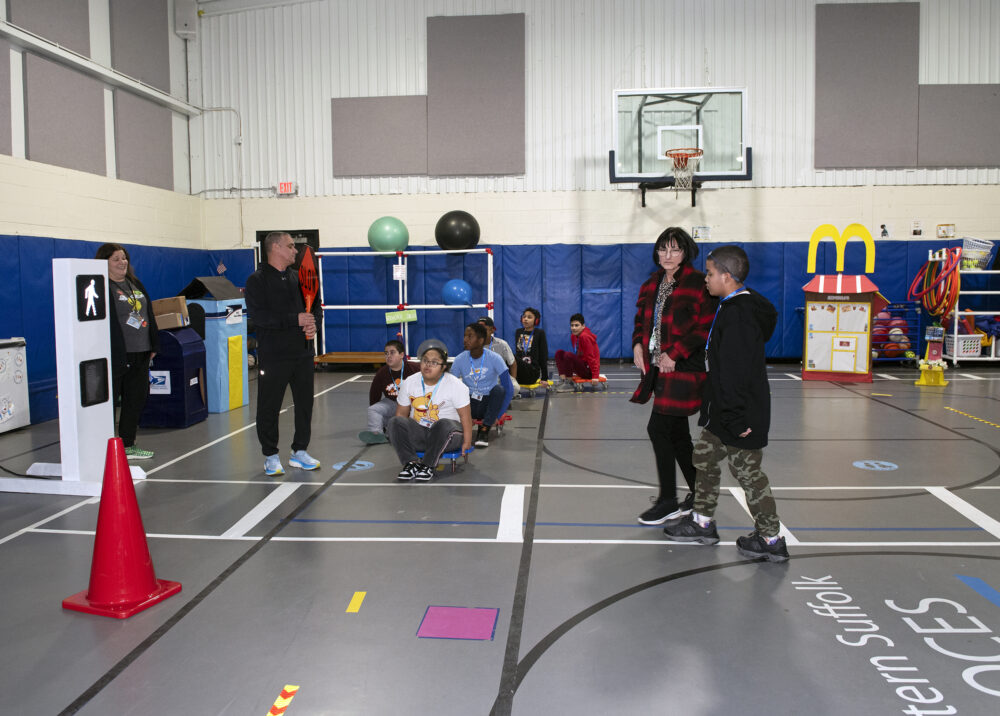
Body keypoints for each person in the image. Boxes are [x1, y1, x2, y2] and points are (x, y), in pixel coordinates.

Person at [663, 245, 789, 563]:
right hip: (722, 410)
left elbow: (734, 373)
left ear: (727, 277)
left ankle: (771, 538)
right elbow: (721, 364)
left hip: (739, 414)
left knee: (748, 473)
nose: (706, 279)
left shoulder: (738, 317)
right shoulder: (737, 304)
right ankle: (703, 523)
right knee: (704, 458)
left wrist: (735, 419)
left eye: (710, 273)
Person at [629, 227, 716, 525]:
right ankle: (699, 492)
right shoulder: (650, 284)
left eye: (675, 249)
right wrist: (638, 345)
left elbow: (703, 329)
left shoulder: (698, 283)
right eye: (663, 249)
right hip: (656, 368)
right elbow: (641, 320)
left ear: (686, 252)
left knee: (659, 428)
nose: (667, 255)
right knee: (677, 435)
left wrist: (674, 353)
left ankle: (668, 501)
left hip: (683, 369)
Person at [245, 231, 323, 476]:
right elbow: (259, 318)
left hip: (302, 355)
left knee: (304, 405)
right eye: (290, 246)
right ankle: (270, 455)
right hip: (273, 356)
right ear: (275, 248)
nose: (295, 251)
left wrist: (313, 324)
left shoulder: (301, 278)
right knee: (269, 406)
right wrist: (294, 319)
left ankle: (300, 451)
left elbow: (316, 308)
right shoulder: (256, 281)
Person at [97, 243, 160, 460]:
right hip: (117, 354)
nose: (122, 263)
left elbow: (148, 313)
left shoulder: (134, 283)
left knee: (135, 399)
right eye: (116, 259)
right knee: (110, 399)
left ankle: (128, 444)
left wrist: (153, 344)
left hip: (141, 352)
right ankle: (103, 444)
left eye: (124, 258)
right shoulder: (102, 288)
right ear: (104, 262)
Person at [387, 340, 473, 480]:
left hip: (449, 436)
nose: (428, 365)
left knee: (444, 424)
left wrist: (467, 442)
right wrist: (399, 434)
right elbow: (401, 415)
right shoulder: (410, 382)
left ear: (443, 367)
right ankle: (411, 464)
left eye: (434, 362)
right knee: (394, 421)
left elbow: (465, 417)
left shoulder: (456, 385)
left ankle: (427, 466)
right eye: (425, 361)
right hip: (421, 434)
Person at [451, 323, 514, 447]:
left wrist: (499, 414)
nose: (465, 339)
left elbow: (509, 388)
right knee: (454, 388)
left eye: (470, 336)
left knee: (499, 389)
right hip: (468, 403)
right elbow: (450, 386)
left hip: (488, 403)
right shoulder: (459, 359)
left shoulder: (495, 358)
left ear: (480, 340)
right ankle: (460, 427)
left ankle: (484, 430)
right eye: (464, 336)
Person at [360, 339, 418, 445]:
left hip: (412, 404)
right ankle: (377, 434)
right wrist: (378, 419)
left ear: (401, 355)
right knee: (374, 410)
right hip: (392, 402)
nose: (388, 356)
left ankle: (395, 430)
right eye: (386, 353)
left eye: (392, 353)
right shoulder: (382, 372)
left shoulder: (414, 368)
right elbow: (374, 394)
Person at [552, 313, 601, 392]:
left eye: (576, 325)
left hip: (589, 371)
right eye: (572, 325)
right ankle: (564, 380)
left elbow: (591, 357)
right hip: (582, 367)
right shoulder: (573, 336)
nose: (574, 328)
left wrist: (595, 376)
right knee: (559, 353)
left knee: (568, 355)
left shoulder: (584, 336)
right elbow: (579, 354)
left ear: (583, 326)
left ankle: (569, 383)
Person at [513, 307, 548, 386]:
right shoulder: (518, 332)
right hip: (518, 372)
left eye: (529, 317)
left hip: (531, 373)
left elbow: (543, 355)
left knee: (511, 357)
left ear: (536, 321)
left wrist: (544, 378)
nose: (525, 319)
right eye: (524, 317)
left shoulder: (539, 333)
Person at [478, 316, 517, 381]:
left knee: (515, 387)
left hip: (499, 380)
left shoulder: (502, 344)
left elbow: (513, 364)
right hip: (479, 380)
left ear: (492, 330)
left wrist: (513, 380)